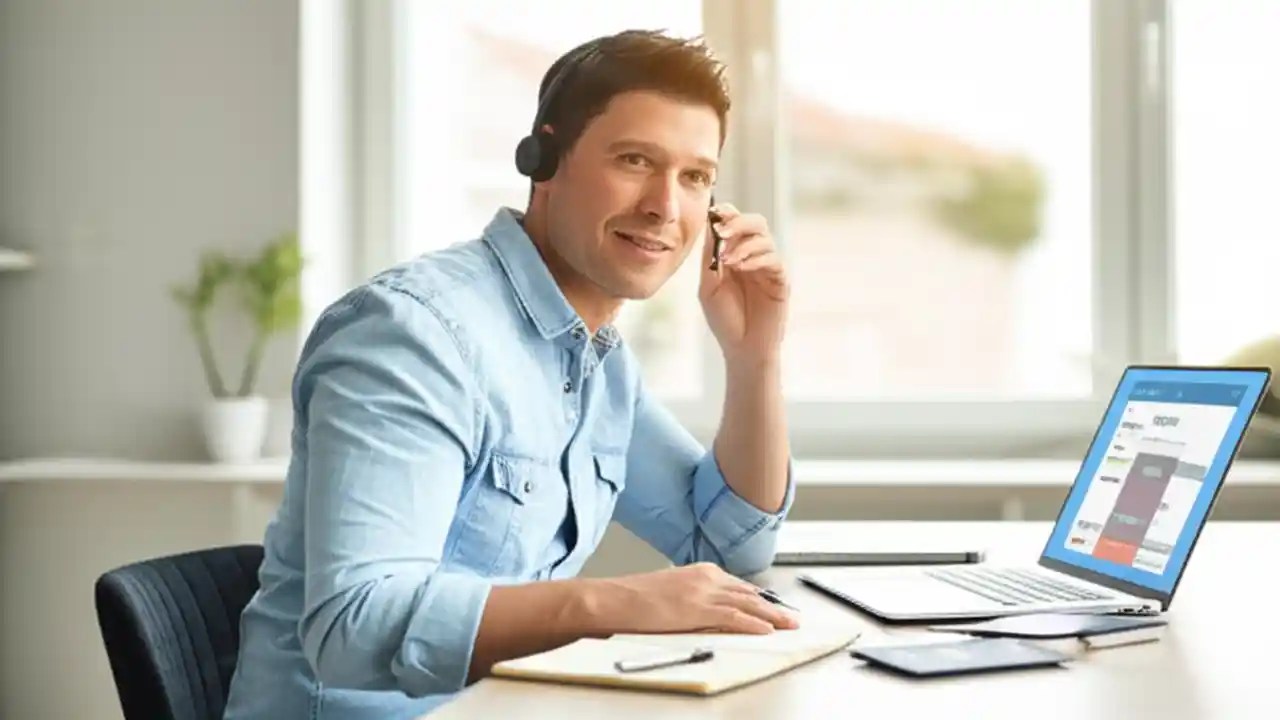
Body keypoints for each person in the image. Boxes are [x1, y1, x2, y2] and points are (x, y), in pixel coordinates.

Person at [223, 28, 796, 720]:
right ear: (543, 159)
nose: (665, 207)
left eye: (695, 177)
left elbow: (730, 543)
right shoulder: (414, 336)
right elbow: (353, 626)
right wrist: (619, 605)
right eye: (636, 159)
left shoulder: (597, 362)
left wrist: (754, 358)